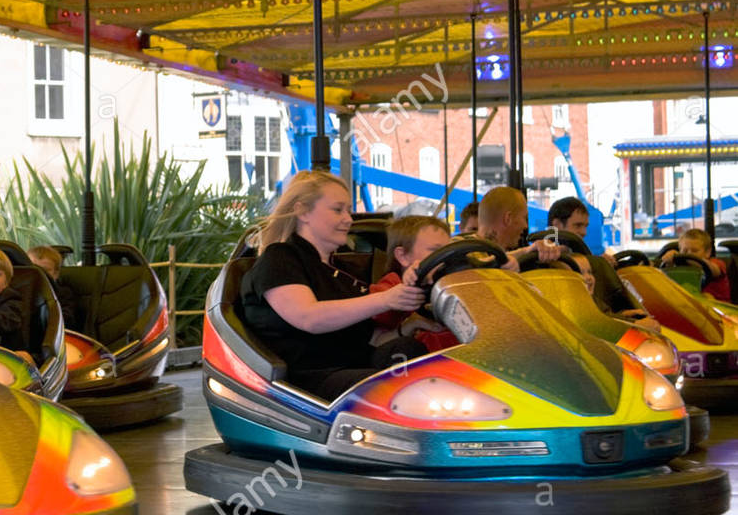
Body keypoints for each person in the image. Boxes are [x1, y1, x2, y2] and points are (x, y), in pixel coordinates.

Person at [240, 171, 425, 400]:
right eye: (338, 210)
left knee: (413, 352)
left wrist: (408, 326)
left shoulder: (341, 269)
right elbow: (309, 317)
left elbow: (367, 340)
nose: (348, 219)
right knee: (397, 388)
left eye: (348, 210)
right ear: (303, 211)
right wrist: (385, 299)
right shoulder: (280, 259)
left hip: (349, 366)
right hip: (307, 379)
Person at [370, 216, 458, 353]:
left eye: (448, 251)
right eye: (435, 251)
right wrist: (409, 288)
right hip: (412, 359)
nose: (446, 258)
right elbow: (374, 330)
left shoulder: (446, 283)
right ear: (403, 256)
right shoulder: (391, 284)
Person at [476, 186, 562, 269]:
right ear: (508, 219)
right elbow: (479, 264)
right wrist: (526, 251)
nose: (525, 226)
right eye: (524, 218)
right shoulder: (466, 253)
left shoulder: (502, 256)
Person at [663, 228, 732, 302]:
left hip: (718, 307)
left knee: (707, 297)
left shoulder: (716, 263)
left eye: (694, 251)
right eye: (685, 251)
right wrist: (669, 260)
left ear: (707, 252)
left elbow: (714, 270)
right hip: (689, 304)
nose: (689, 254)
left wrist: (694, 260)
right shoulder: (680, 267)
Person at [28, 244, 80, 330]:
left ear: (56, 274)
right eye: (35, 269)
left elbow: (66, 319)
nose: (40, 274)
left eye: (45, 270)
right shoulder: (20, 292)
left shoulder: (63, 293)